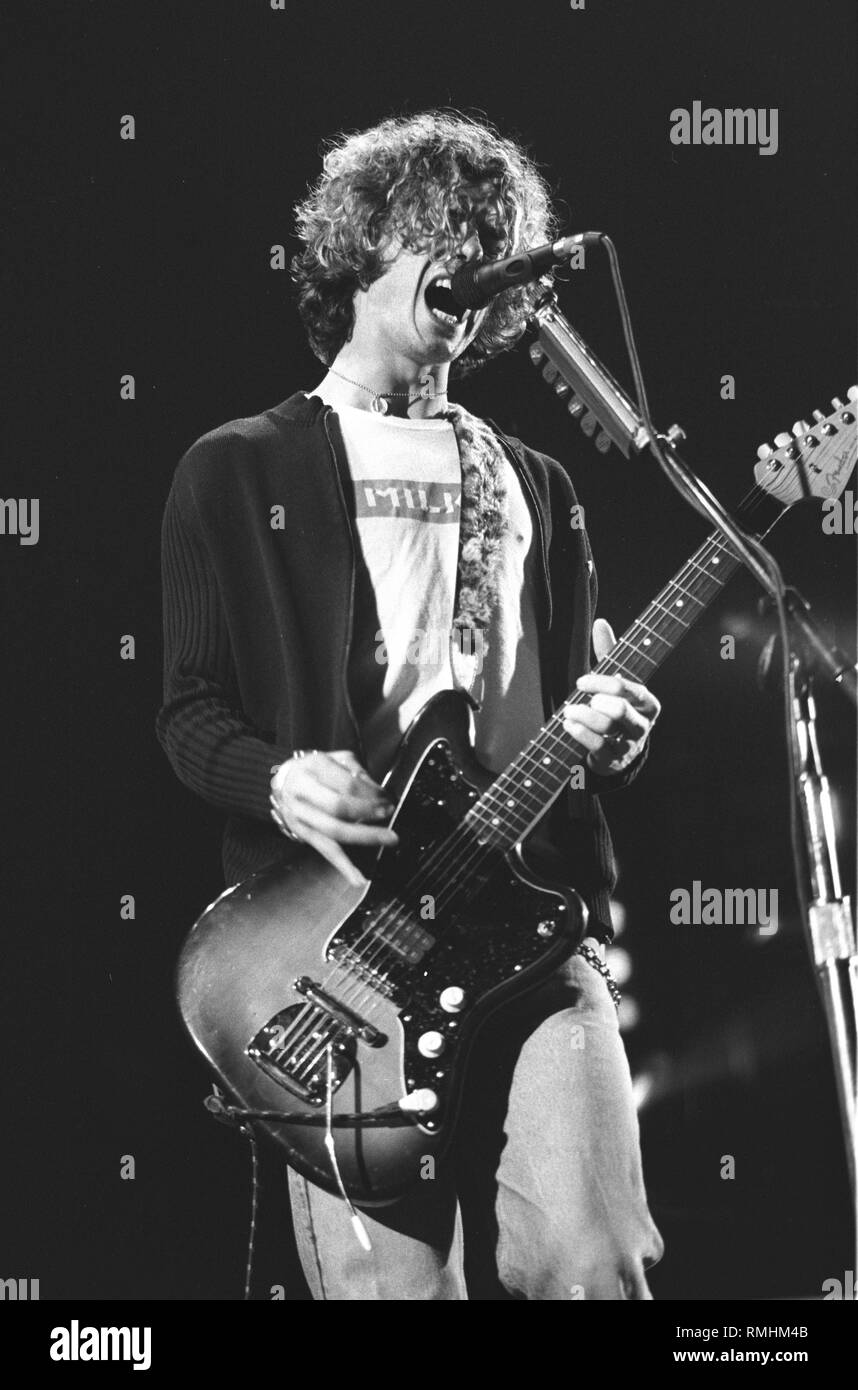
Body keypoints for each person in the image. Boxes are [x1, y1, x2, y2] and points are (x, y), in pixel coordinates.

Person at [158, 109, 664, 1300]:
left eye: (493, 247)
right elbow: (186, 710)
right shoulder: (236, 468)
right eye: (444, 236)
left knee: (598, 1264)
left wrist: (617, 740)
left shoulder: (537, 483)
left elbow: (568, 724)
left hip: (529, 933)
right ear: (363, 248)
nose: (472, 270)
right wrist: (278, 778)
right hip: (346, 947)